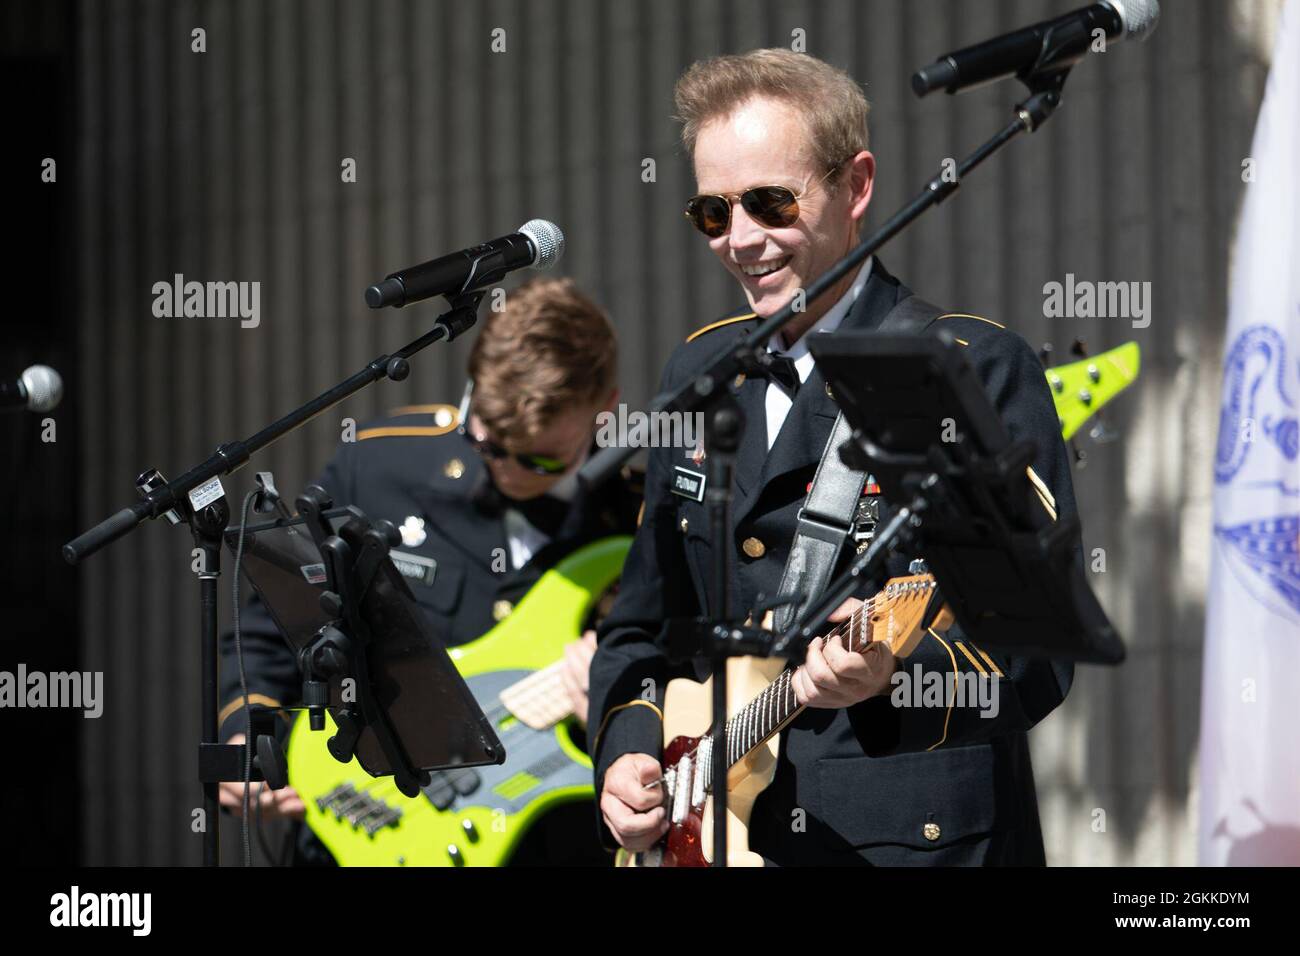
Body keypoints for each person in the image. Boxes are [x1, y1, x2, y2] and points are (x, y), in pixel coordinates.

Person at [589, 49, 1076, 865]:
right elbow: (641, 627)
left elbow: (1037, 654)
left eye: (771, 203)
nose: (741, 239)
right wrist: (629, 754)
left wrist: (897, 669)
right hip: (715, 836)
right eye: (712, 213)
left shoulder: (970, 366)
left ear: (857, 185)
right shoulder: (700, 372)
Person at [218, 276, 640, 865]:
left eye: (539, 458)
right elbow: (272, 626)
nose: (507, 471)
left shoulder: (642, 521)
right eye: (487, 442)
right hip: (351, 820)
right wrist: (249, 735)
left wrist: (620, 699)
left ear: (607, 410)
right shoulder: (380, 465)